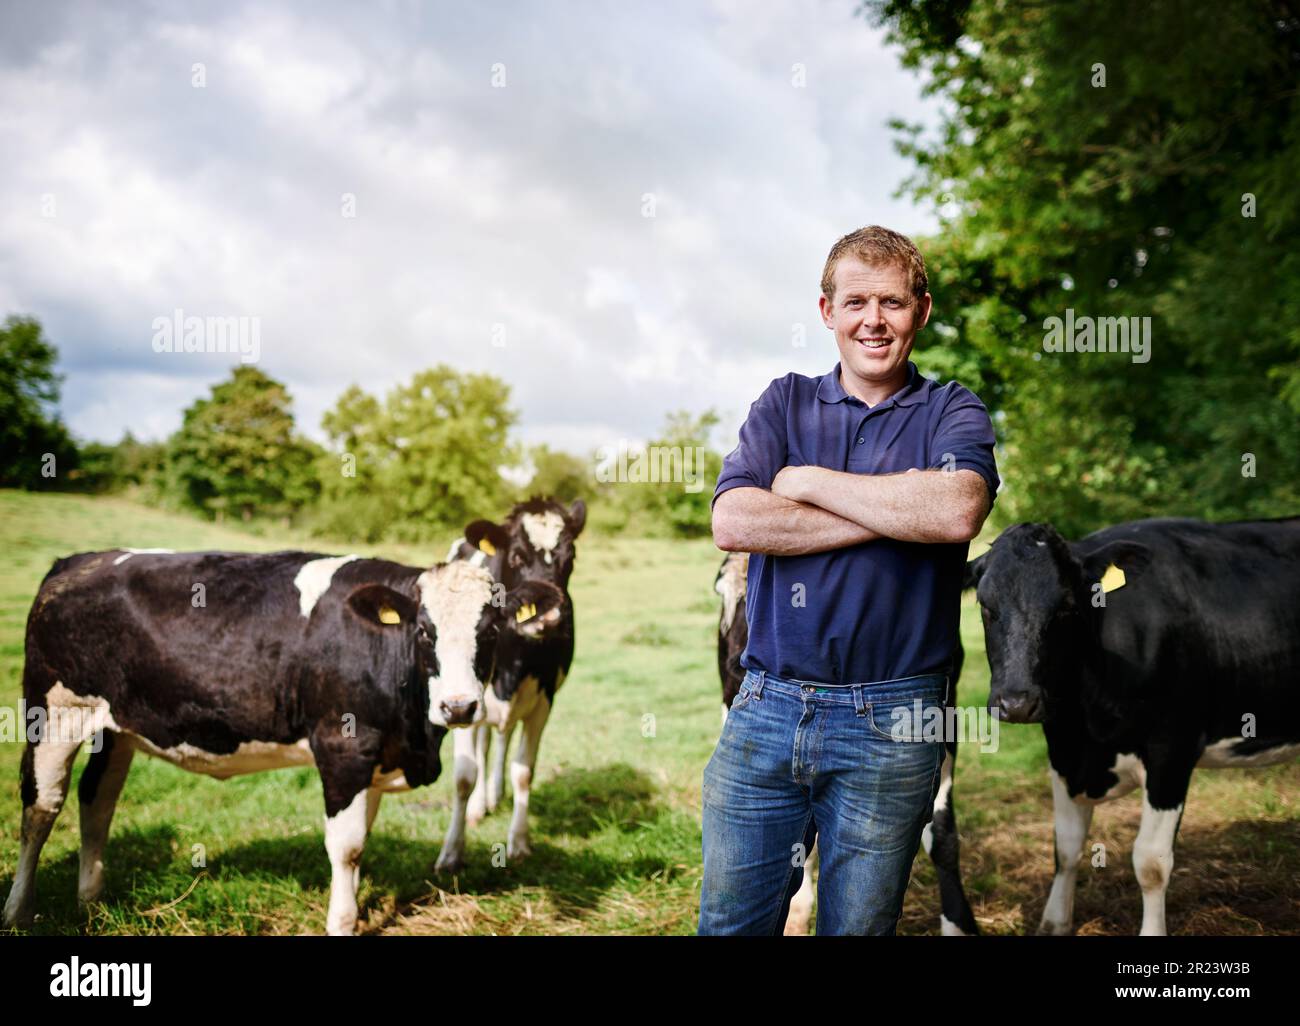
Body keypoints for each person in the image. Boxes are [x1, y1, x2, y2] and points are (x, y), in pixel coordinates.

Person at [699, 225, 999, 935]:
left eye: (892, 303)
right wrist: (899, 507)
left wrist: (805, 483)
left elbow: (957, 509)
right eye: (856, 301)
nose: (874, 320)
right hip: (766, 702)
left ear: (920, 312)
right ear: (827, 310)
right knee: (729, 927)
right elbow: (736, 522)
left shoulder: (952, 409)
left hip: (893, 720)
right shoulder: (785, 402)